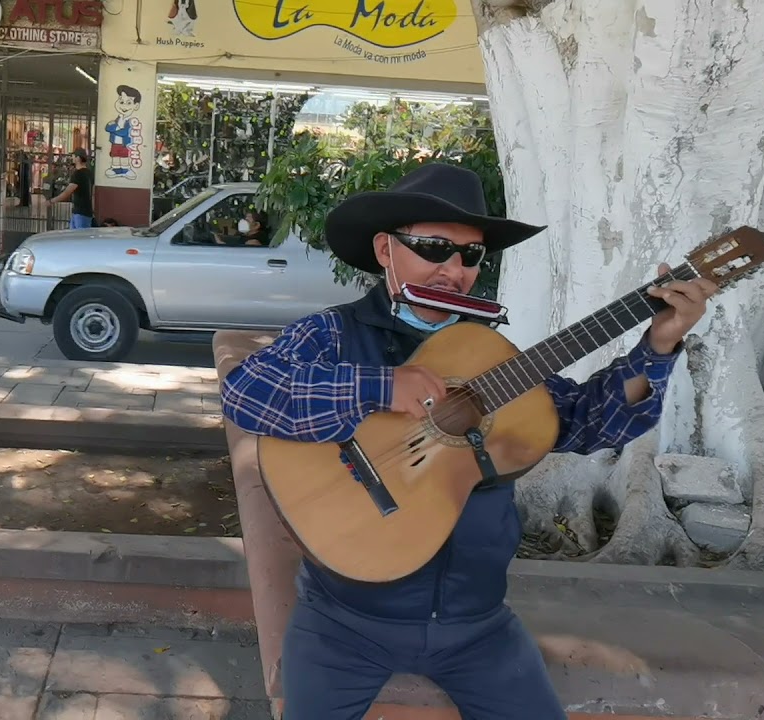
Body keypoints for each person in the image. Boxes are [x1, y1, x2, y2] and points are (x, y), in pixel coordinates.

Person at [218, 163, 717, 720]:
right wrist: (381, 386)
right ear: (385, 249)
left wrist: (659, 344)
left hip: (476, 627)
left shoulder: (489, 357)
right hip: (343, 624)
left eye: (470, 256)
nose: (453, 270)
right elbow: (248, 392)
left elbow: (593, 420)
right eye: (433, 247)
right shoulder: (334, 333)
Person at [48, 148, 95, 229]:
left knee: (78, 238)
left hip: (80, 212)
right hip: (85, 212)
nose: (72, 158)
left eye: (73, 156)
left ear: (78, 158)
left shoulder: (77, 174)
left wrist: (51, 201)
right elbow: (93, 193)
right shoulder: (89, 173)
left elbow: (67, 192)